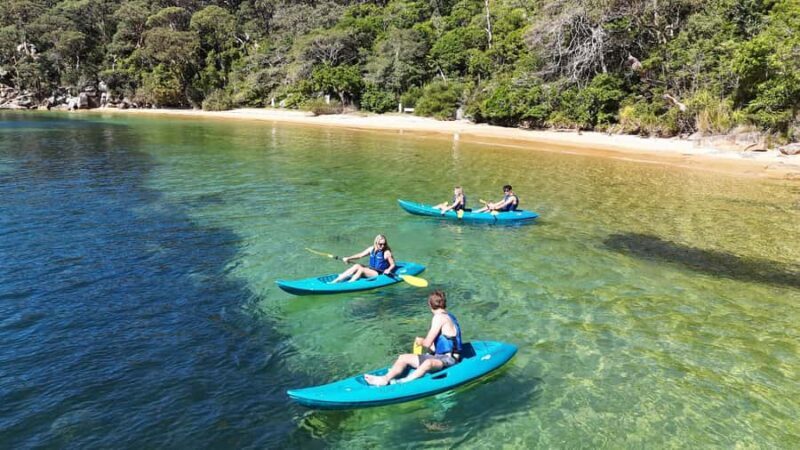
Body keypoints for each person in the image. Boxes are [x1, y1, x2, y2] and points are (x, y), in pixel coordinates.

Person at [364, 290, 462, 386]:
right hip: (440, 357)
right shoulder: (449, 316)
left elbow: (427, 343)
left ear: (430, 304)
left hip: (450, 360)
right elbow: (443, 343)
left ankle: (403, 382)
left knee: (428, 363)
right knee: (403, 358)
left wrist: (420, 341)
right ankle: (385, 379)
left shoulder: (439, 318)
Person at [330, 234, 396, 283]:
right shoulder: (371, 249)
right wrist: (348, 258)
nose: (382, 246)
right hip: (371, 269)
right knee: (357, 265)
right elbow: (360, 255)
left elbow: (393, 264)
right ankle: (336, 280)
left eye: (384, 244)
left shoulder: (386, 252)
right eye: (380, 244)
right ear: (376, 243)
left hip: (378, 273)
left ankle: (350, 283)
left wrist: (388, 269)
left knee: (361, 269)